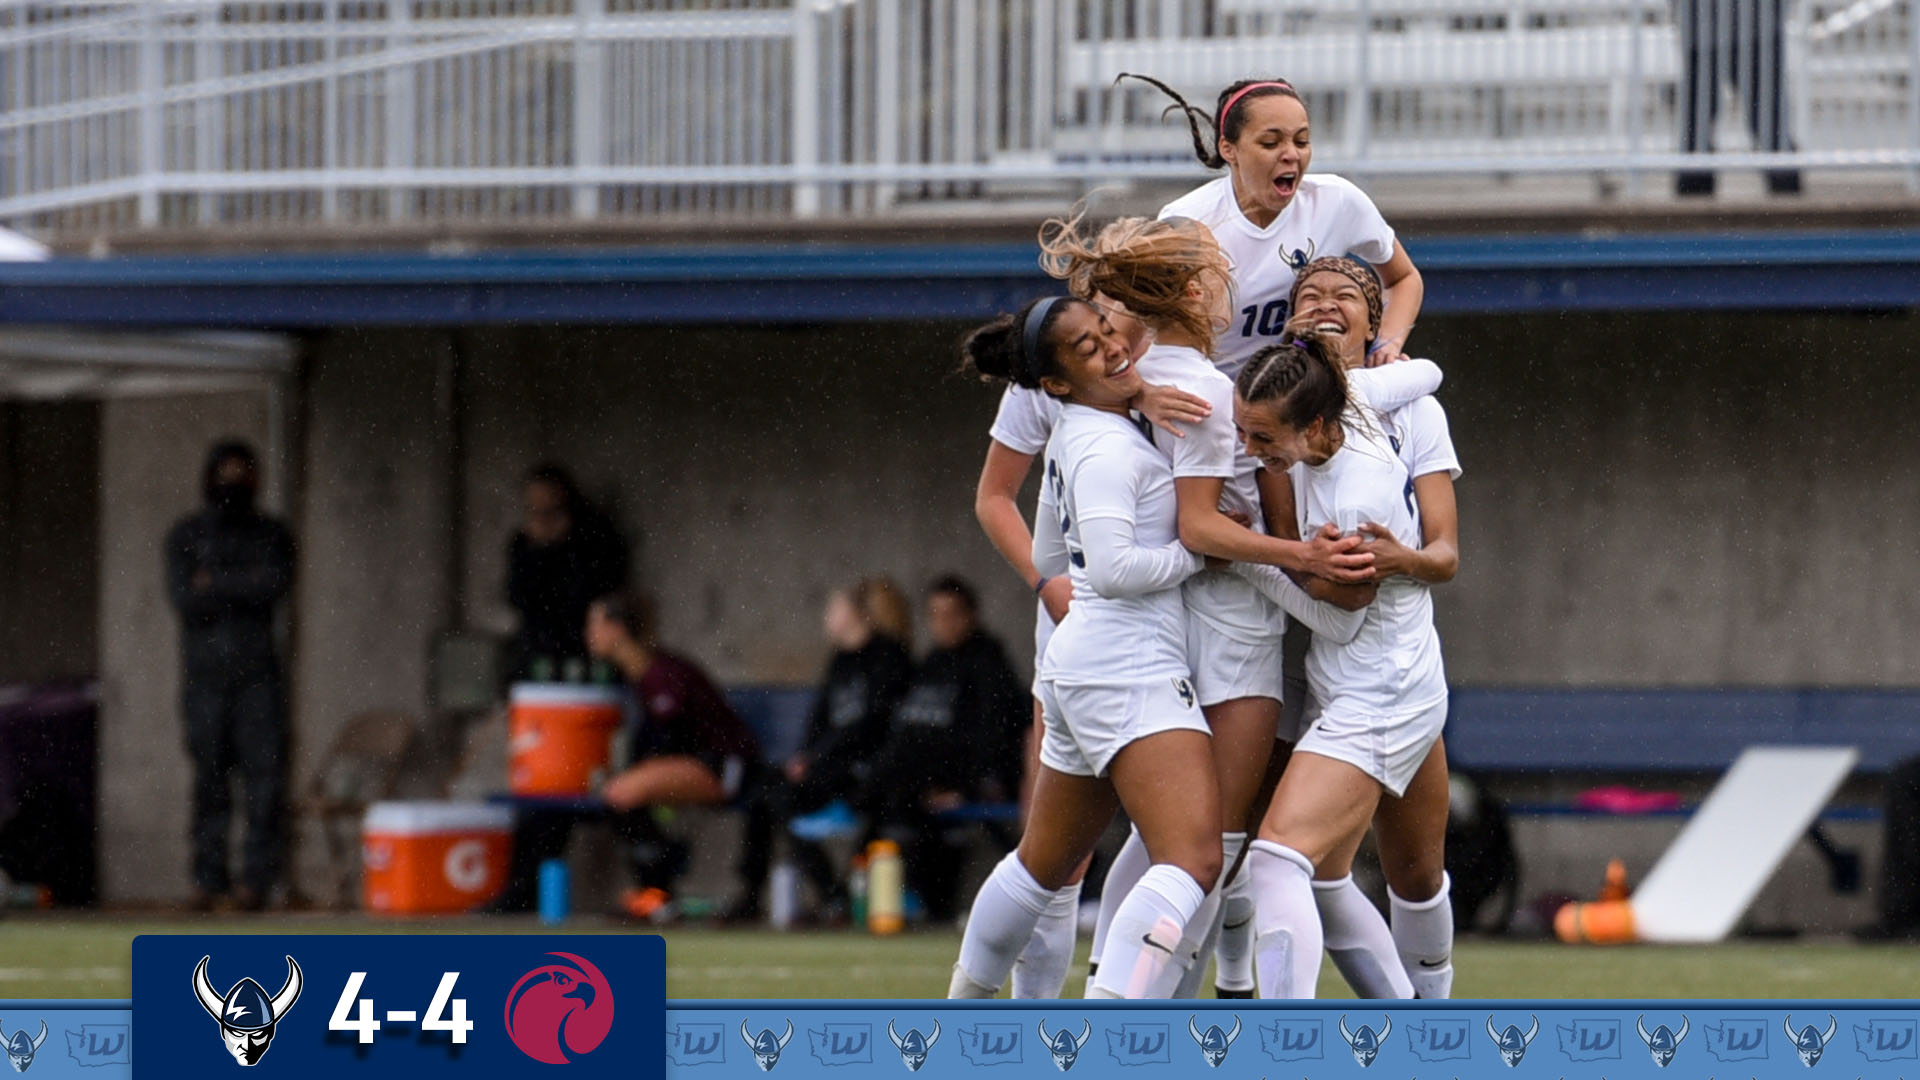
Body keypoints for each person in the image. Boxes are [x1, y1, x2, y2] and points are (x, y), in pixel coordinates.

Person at [1037, 214, 1403, 998]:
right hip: (1230, 625)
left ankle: (1154, 989)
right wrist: (1301, 558)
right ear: (1199, 290)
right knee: (1210, 849)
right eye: (1218, 266)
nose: (1234, 273)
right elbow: (1210, 525)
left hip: (1170, 625)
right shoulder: (1201, 390)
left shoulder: (1129, 378)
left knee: (1180, 848)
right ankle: (1131, 1004)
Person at [947, 295, 1221, 1001]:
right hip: (1125, 664)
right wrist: (1197, 555)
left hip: (1082, 664)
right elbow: (1114, 568)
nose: (1112, 343)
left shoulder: (1096, 423)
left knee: (1044, 862)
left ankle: (965, 1012)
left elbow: (1066, 556)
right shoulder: (1102, 444)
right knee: (1193, 859)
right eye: (1088, 345)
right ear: (1057, 384)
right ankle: (1109, 1030)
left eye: (1107, 328)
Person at [1231, 334, 1450, 999]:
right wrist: (1397, 358)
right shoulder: (1352, 395)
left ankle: (1285, 1051)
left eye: (1264, 439)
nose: (1250, 452)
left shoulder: (1356, 501)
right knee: (1322, 881)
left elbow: (1339, 618)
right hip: (1370, 682)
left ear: (1317, 427)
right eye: (1243, 430)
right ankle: (1423, 1036)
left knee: (1273, 863)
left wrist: (1252, 556)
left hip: (1383, 692)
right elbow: (1430, 371)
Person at [1283, 256, 1464, 999]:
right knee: (1313, 868)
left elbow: (1447, 555)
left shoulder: (1412, 410)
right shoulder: (1273, 402)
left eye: (1345, 297)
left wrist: (1402, 558)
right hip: (1328, 664)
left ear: (1373, 318)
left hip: (1396, 663)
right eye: (1309, 297)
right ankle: (1414, 1030)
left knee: (1415, 874)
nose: (1326, 307)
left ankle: (1428, 1023)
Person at [1122, 74, 1425, 377]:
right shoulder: (1188, 222)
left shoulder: (1338, 201)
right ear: (1229, 149)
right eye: (1271, 142)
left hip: (1301, 397)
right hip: (1210, 403)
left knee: (1421, 379)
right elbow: (1127, 338)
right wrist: (1145, 394)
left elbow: (1403, 279)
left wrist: (1386, 346)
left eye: (1302, 141)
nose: (1292, 154)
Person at [488, 593, 760, 916]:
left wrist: (642, 778)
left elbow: (675, 741)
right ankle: (657, 890)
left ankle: (660, 886)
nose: (589, 632)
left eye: (596, 623)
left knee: (623, 791)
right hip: (690, 766)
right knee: (604, 796)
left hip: (727, 767)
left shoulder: (663, 674)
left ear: (618, 629)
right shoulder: (633, 676)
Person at [727, 578, 913, 923]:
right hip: (827, 769)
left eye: (833, 608)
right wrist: (806, 757)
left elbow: (872, 726)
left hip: (863, 772)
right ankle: (752, 892)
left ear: (855, 613)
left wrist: (817, 758)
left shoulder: (887, 658)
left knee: (782, 799)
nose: (827, 617)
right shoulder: (840, 661)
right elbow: (820, 722)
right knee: (763, 791)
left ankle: (832, 895)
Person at [165, 440, 296, 912]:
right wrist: (241, 584)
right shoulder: (187, 535)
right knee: (209, 782)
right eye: (225, 472)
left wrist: (215, 582)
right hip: (204, 679)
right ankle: (208, 879)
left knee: (264, 782)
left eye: (243, 473)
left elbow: (274, 586)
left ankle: (256, 882)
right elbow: (185, 599)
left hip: (258, 677)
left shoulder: (271, 534)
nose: (233, 483)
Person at [861, 576, 1029, 923]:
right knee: (880, 790)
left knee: (906, 801)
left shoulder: (988, 665)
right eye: (935, 615)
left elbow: (994, 737)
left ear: (971, 616)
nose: (944, 623)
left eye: (952, 614)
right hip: (914, 777)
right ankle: (876, 894)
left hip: (959, 778)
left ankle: (929, 903)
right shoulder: (932, 663)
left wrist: (965, 787)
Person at [505, 463, 628, 681]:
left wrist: (561, 544)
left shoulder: (592, 538)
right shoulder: (524, 544)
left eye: (549, 507)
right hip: (536, 650)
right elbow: (517, 597)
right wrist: (538, 550)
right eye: (533, 507)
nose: (541, 516)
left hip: (582, 650)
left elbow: (588, 595)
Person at [1676, 0, 1799, 197]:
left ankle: (1785, 189)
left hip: (1723, 28)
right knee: (1767, 121)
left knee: (1700, 122)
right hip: (1731, 28)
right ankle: (1786, 190)